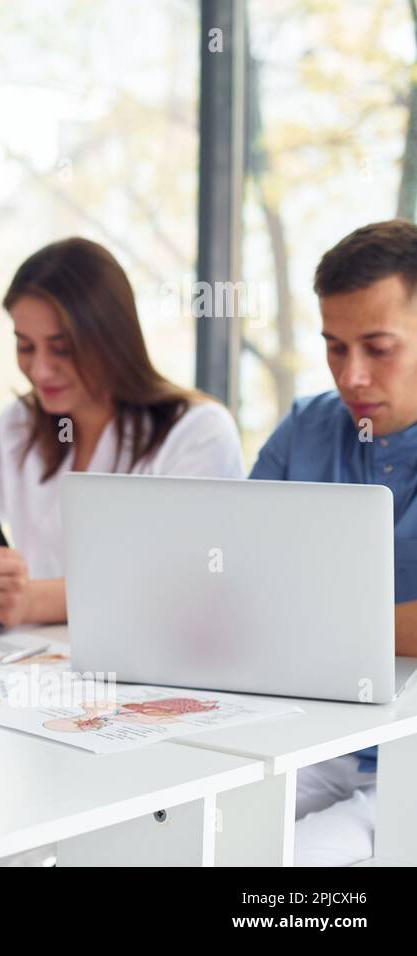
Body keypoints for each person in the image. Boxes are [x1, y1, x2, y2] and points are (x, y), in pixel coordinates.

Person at [0, 237, 244, 627]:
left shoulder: (197, 431)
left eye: (61, 349)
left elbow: (179, 586)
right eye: (25, 346)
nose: (39, 371)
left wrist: (30, 600)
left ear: (110, 338)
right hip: (30, 658)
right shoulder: (21, 421)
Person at [249, 219, 417, 866]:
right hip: (312, 740)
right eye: (334, 347)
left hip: (405, 756)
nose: (351, 376)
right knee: (183, 832)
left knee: (280, 873)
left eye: (378, 348)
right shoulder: (307, 428)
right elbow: (232, 581)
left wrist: (301, 619)